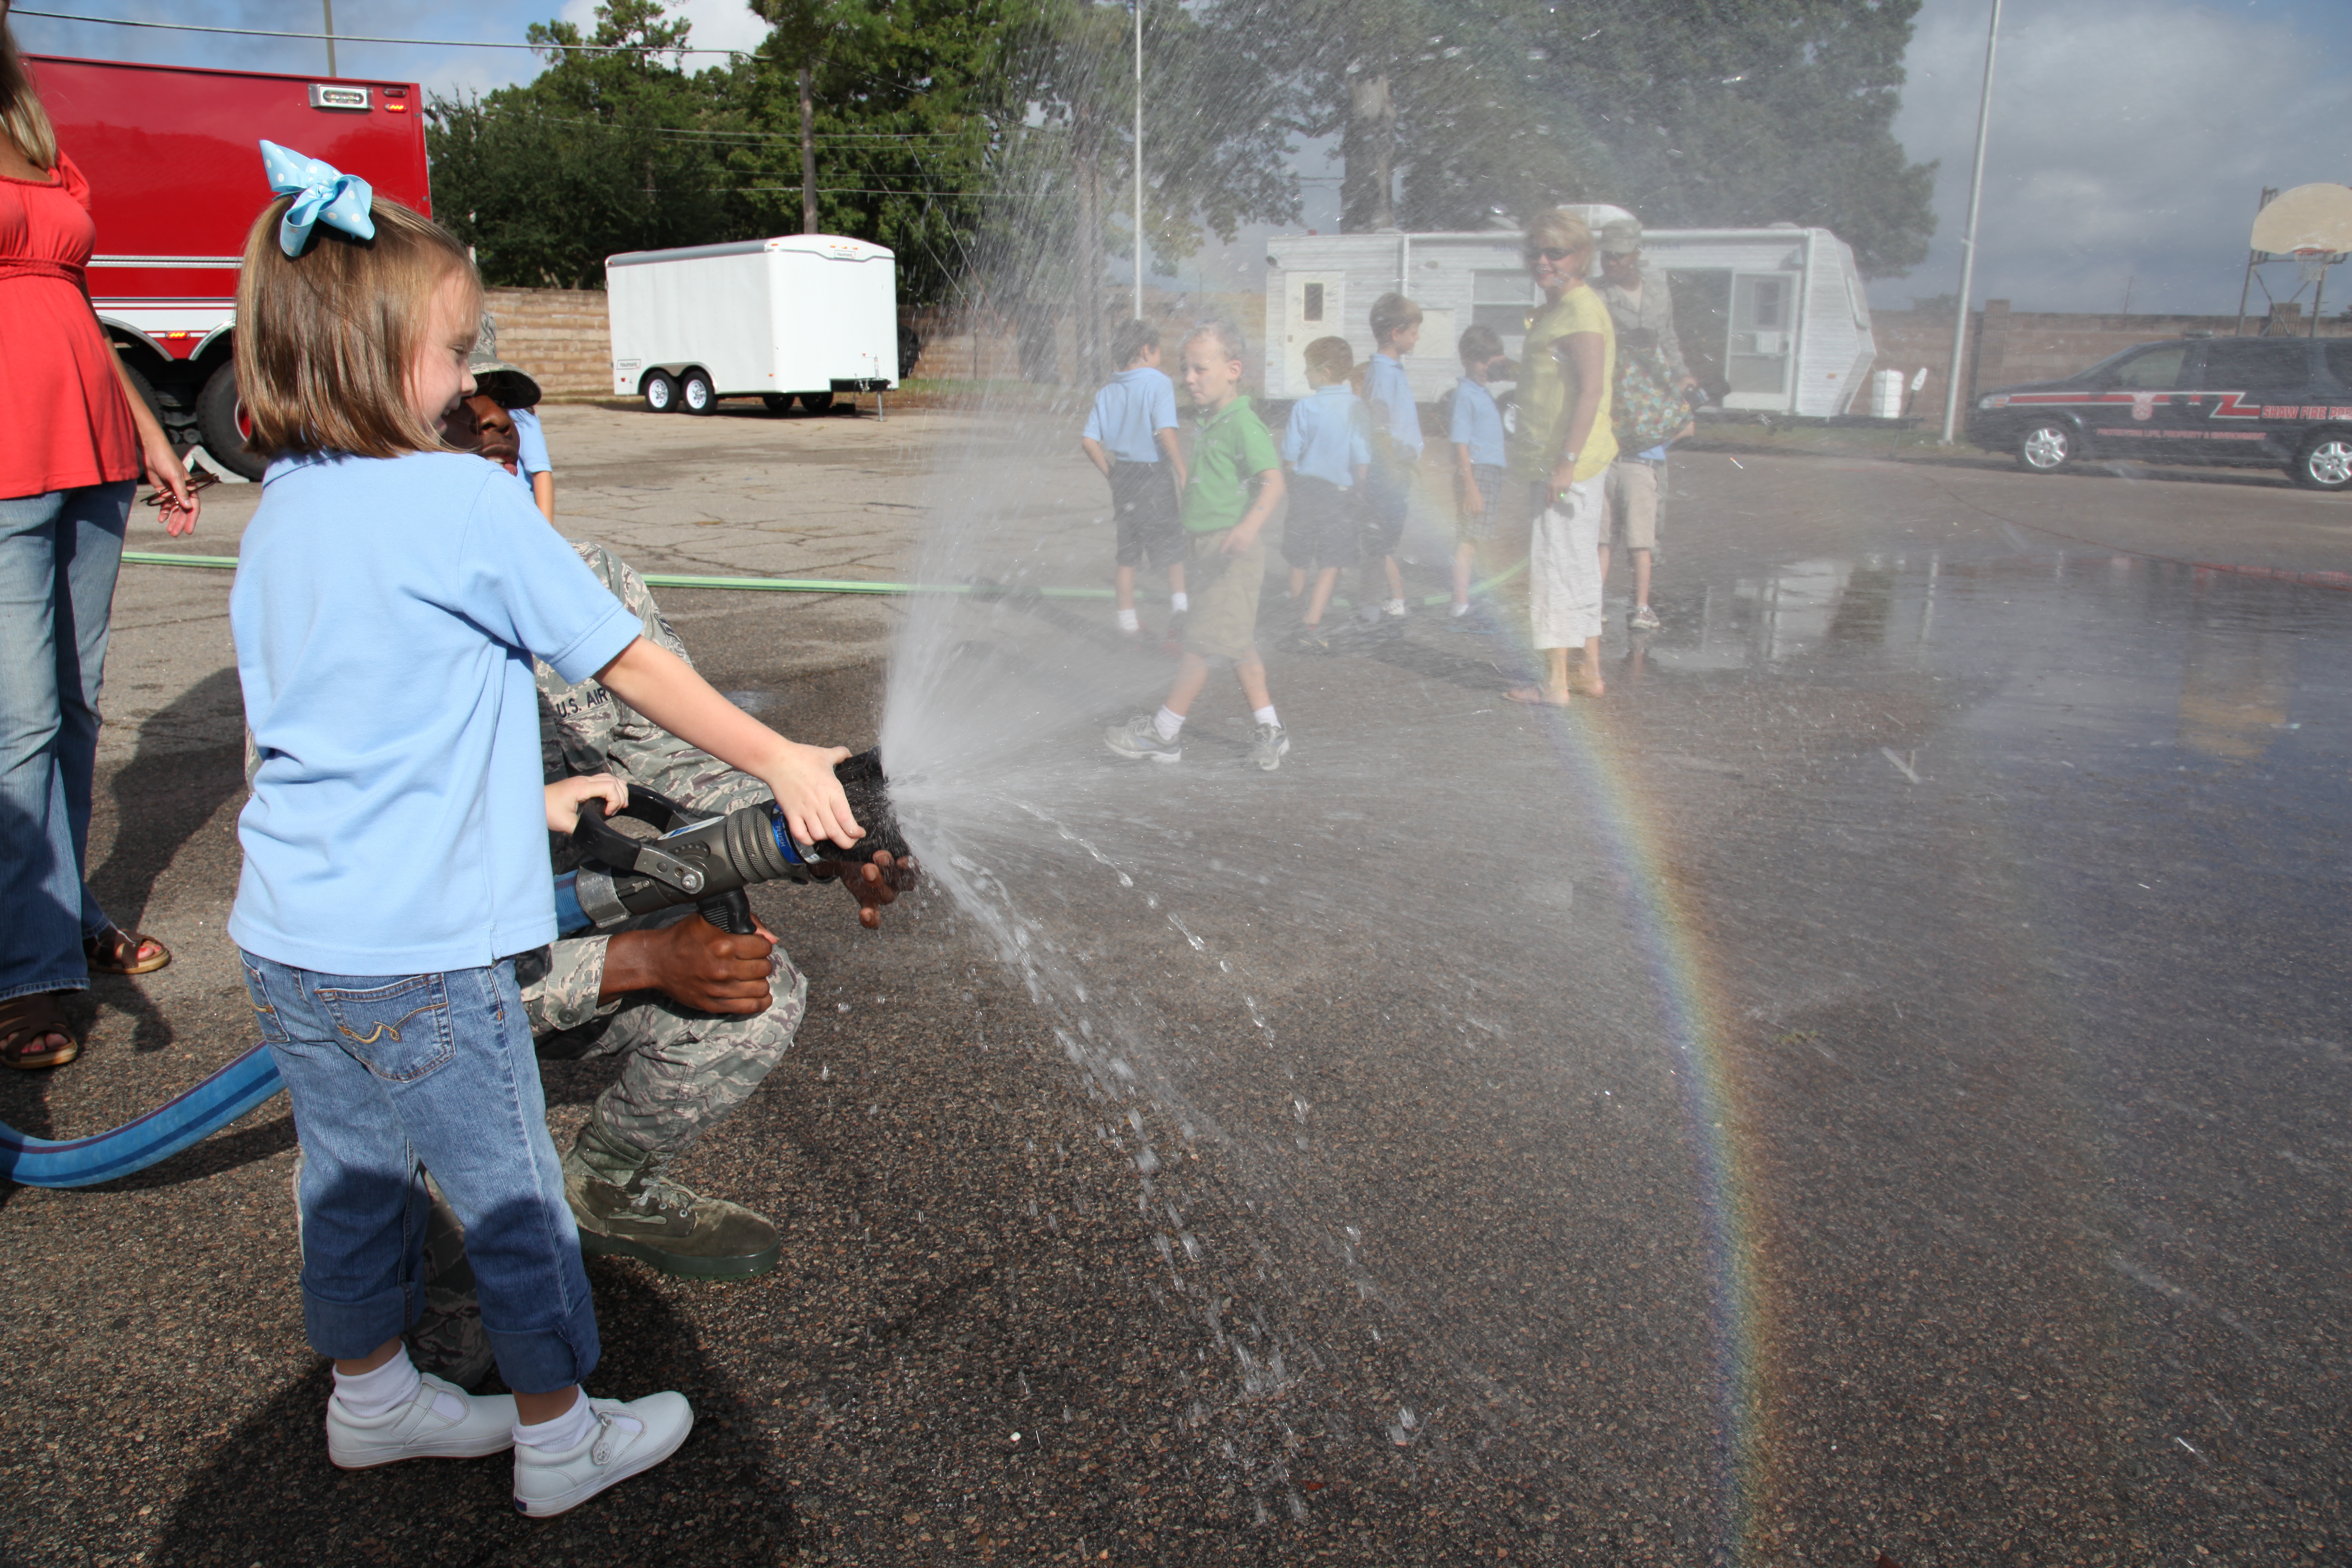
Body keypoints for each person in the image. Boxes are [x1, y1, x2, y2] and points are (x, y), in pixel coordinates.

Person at [227, 142, 866, 1513]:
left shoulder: (280, 515)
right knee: (514, 1197)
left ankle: (373, 1400)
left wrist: (531, 802)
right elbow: (627, 658)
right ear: (381, 351)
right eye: (457, 354)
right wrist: (784, 756)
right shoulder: (461, 497)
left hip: (291, 939)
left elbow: (302, 752)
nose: (471, 387)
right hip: (422, 951)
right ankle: (561, 1434)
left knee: (353, 1183)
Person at [0, 10, 202, 1070]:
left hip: (89, 450)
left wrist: (149, 431)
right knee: (18, 722)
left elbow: (77, 299)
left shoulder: (36, 136)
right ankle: (25, 968)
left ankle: (62, 910)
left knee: (75, 709)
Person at [1104, 322, 1289, 771]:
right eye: (1185, 368)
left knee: (1201, 644)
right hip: (1210, 551)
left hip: (1234, 554)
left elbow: (1274, 481)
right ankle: (1271, 730)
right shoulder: (1212, 421)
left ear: (1233, 370)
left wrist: (1248, 527)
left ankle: (1164, 734)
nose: (1187, 378)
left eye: (1200, 369)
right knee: (1237, 644)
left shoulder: (1244, 423)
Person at [1506, 210, 1615, 707]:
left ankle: (1555, 684)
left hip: (1568, 464)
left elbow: (1591, 390)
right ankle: (1588, 670)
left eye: (1557, 252)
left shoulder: (1580, 311)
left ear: (1583, 257)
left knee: (1555, 566)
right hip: (1562, 460)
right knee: (1577, 566)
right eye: (1536, 252)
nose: (1544, 261)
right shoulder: (1558, 309)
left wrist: (1566, 461)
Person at [1594, 219, 1693, 632]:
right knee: (1607, 522)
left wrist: (1682, 376)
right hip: (1619, 393)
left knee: (1651, 507)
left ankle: (1641, 603)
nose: (1611, 262)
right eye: (1606, 256)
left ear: (1636, 255)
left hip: (1655, 391)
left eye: (1618, 256)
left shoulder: (1656, 288)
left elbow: (1667, 335)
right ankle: (1597, 602)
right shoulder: (1599, 294)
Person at [1080, 319, 1188, 643]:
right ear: (1146, 350)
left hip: (1124, 475)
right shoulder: (1158, 383)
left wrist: (1111, 474)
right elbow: (1165, 431)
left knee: (1127, 555)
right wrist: (1182, 469)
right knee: (1171, 549)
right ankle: (1181, 616)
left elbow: (1088, 441)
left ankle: (1127, 623)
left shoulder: (1107, 391)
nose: (1160, 360)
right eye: (1158, 353)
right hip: (1154, 475)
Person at [1278, 335, 1369, 652]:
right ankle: (1311, 625)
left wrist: (1294, 483)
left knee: (1299, 557)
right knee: (1331, 563)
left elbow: (1290, 457)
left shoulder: (1304, 407)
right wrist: (1361, 493)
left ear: (1326, 372)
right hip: (1340, 494)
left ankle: (1294, 615)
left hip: (1305, 489)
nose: (1305, 375)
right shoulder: (1357, 408)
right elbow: (1362, 461)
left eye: (1309, 369)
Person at [1361, 292, 1424, 621]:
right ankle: (1373, 607)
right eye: (1414, 332)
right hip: (1388, 471)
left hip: (1398, 468)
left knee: (1382, 542)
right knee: (1378, 543)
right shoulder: (1384, 374)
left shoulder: (1392, 370)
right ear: (1396, 333)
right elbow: (1380, 429)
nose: (1418, 338)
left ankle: (1384, 602)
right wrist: (1395, 470)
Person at [1446, 324, 1511, 621]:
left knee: (1477, 538)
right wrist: (1470, 486)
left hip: (1490, 472)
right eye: (1482, 361)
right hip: (1477, 471)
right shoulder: (1465, 395)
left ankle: (1470, 597)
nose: (1487, 368)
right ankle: (1460, 604)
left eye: (1492, 362)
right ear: (1466, 359)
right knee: (1469, 539)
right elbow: (1460, 444)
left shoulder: (1482, 392)